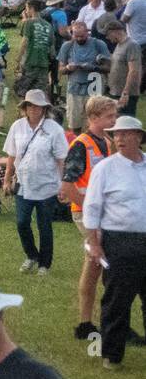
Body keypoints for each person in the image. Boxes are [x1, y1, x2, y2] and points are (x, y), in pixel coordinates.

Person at [82, 115, 146, 370]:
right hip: (119, 241)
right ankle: (112, 353)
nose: (119, 139)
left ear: (138, 137)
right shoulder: (105, 169)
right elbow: (92, 208)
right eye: (116, 135)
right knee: (118, 299)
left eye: (125, 134)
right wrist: (94, 244)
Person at [61, 96, 117, 340]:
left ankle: (89, 323)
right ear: (93, 118)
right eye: (109, 117)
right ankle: (101, 322)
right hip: (85, 213)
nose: (114, 121)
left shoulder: (107, 142)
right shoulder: (82, 145)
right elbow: (67, 186)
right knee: (100, 262)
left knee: (94, 265)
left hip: (104, 214)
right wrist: (90, 209)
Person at [2, 90, 69, 276]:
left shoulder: (54, 129)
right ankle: (32, 255)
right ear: (25, 107)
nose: (33, 109)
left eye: (38, 106)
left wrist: (63, 184)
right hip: (23, 182)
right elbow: (11, 155)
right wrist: (7, 179)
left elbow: (61, 159)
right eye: (30, 105)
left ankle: (44, 264)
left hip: (47, 184)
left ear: (44, 109)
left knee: (44, 225)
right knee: (22, 222)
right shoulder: (17, 126)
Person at [57, 21, 109, 132]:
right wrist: (67, 68)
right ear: (72, 34)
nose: (79, 39)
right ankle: (77, 144)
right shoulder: (67, 46)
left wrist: (93, 68)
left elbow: (108, 68)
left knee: (94, 123)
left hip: (94, 88)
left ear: (87, 32)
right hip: (74, 88)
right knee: (74, 122)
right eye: (76, 36)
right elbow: (60, 69)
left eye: (82, 36)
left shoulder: (98, 44)